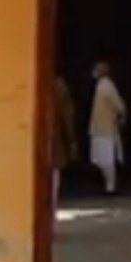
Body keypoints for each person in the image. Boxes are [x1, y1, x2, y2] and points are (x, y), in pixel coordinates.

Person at [89, 61, 126, 195]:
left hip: (105, 128)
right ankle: (109, 185)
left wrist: (121, 113)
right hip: (101, 127)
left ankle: (110, 186)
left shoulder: (106, 86)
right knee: (102, 158)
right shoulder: (102, 86)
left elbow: (117, 103)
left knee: (107, 159)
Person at [52, 73, 77, 220]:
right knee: (52, 184)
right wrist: (71, 140)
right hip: (53, 143)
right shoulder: (59, 87)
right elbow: (68, 116)